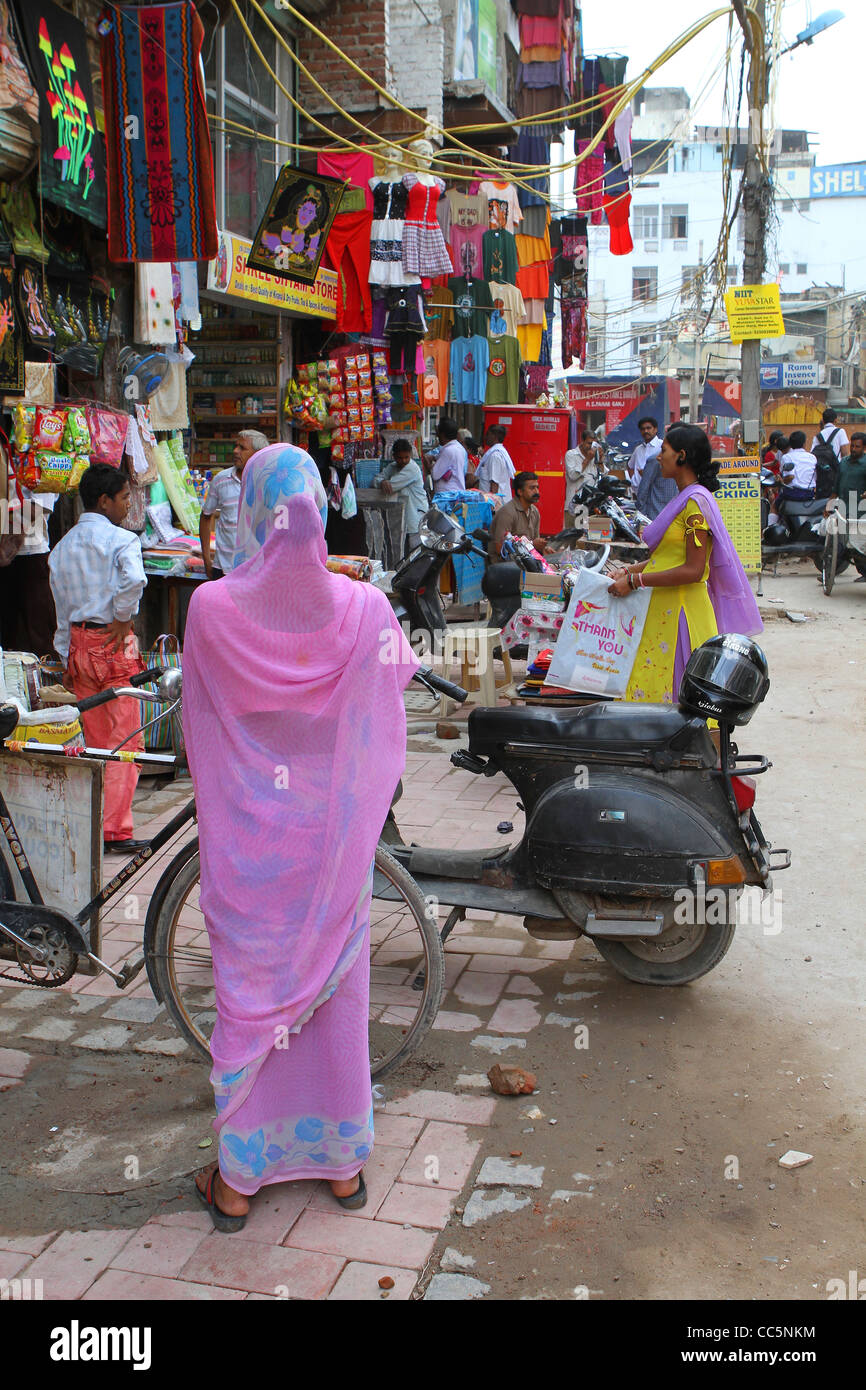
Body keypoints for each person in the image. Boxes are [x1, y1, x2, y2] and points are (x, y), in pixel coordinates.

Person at [182, 445, 419, 1229]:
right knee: (335, 996)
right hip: (331, 845)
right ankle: (343, 1167)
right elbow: (397, 678)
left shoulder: (210, 609)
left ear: (252, 512)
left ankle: (241, 1180)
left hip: (251, 846)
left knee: (250, 999)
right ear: (320, 513)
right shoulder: (365, 611)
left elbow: (203, 723)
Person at [608, 424, 762, 704]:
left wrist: (634, 581)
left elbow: (692, 570)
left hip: (682, 615)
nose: (658, 457)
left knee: (685, 702)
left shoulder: (694, 503)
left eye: (663, 451)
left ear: (681, 456)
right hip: (665, 609)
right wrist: (628, 570)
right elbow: (666, 559)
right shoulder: (684, 499)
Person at [48, 465, 148, 853]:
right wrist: (124, 618)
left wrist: (65, 656)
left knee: (92, 739)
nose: (128, 505)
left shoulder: (62, 547)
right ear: (104, 501)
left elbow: (61, 610)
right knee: (125, 740)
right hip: (110, 642)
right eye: (124, 498)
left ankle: (97, 824)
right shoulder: (122, 539)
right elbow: (134, 581)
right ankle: (114, 830)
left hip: (77, 644)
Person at [199, 430, 268, 580]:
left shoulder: (266, 482)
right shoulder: (221, 480)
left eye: (242, 448)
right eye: (236, 446)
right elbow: (205, 517)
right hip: (223, 568)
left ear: (257, 454)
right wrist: (207, 560)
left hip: (256, 570)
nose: (235, 451)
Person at [0, 484, 57, 656]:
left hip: (30, 553)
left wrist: (11, 543)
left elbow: (36, 509)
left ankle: (49, 680)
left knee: (40, 635)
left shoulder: (36, 458)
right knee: (9, 636)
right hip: (10, 554)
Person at [374, 438, 428, 551]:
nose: (403, 461)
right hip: (402, 517)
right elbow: (376, 480)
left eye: (406, 457)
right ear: (394, 456)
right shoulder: (392, 467)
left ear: (411, 455)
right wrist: (382, 482)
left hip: (415, 517)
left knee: (414, 555)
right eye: (400, 458)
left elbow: (392, 486)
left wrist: (385, 482)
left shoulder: (412, 469)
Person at [488, 470, 548, 562]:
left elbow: (535, 543)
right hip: (504, 565)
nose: (536, 491)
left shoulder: (534, 511)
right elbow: (500, 548)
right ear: (520, 491)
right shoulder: (507, 512)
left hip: (525, 560)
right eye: (532, 488)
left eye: (537, 487)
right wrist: (532, 544)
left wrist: (544, 548)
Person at [565, 430, 606, 526]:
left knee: (589, 537)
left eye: (594, 444)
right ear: (582, 441)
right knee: (571, 538)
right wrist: (587, 459)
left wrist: (600, 461)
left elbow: (603, 477)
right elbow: (573, 476)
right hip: (574, 506)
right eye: (589, 443)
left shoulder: (594, 457)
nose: (591, 447)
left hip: (590, 507)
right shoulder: (571, 454)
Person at [423, 416, 467, 494]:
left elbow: (435, 474)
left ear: (442, 435)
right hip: (455, 491)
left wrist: (428, 464)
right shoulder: (459, 448)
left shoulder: (449, 450)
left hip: (448, 494)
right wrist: (433, 458)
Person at [635, 446, 678, 521]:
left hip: (673, 516)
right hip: (655, 516)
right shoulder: (655, 460)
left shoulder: (683, 462)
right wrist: (643, 516)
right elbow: (644, 488)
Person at [476, 423, 516, 501]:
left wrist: (492, 506)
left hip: (494, 504)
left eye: (488, 434)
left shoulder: (495, 456)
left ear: (494, 436)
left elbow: (494, 483)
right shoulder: (498, 453)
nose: (485, 437)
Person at [779, 429, 816, 500]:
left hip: (792, 493)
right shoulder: (812, 457)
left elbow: (790, 477)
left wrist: (781, 482)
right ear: (804, 444)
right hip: (809, 494)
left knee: (774, 506)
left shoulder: (787, 457)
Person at [628, 416, 662, 491]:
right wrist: (634, 480)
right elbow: (630, 466)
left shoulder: (662, 446)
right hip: (638, 490)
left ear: (655, 429)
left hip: (655, 491)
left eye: (648, 428)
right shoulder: (638, 449)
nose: (645, 431)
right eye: (642, 429)